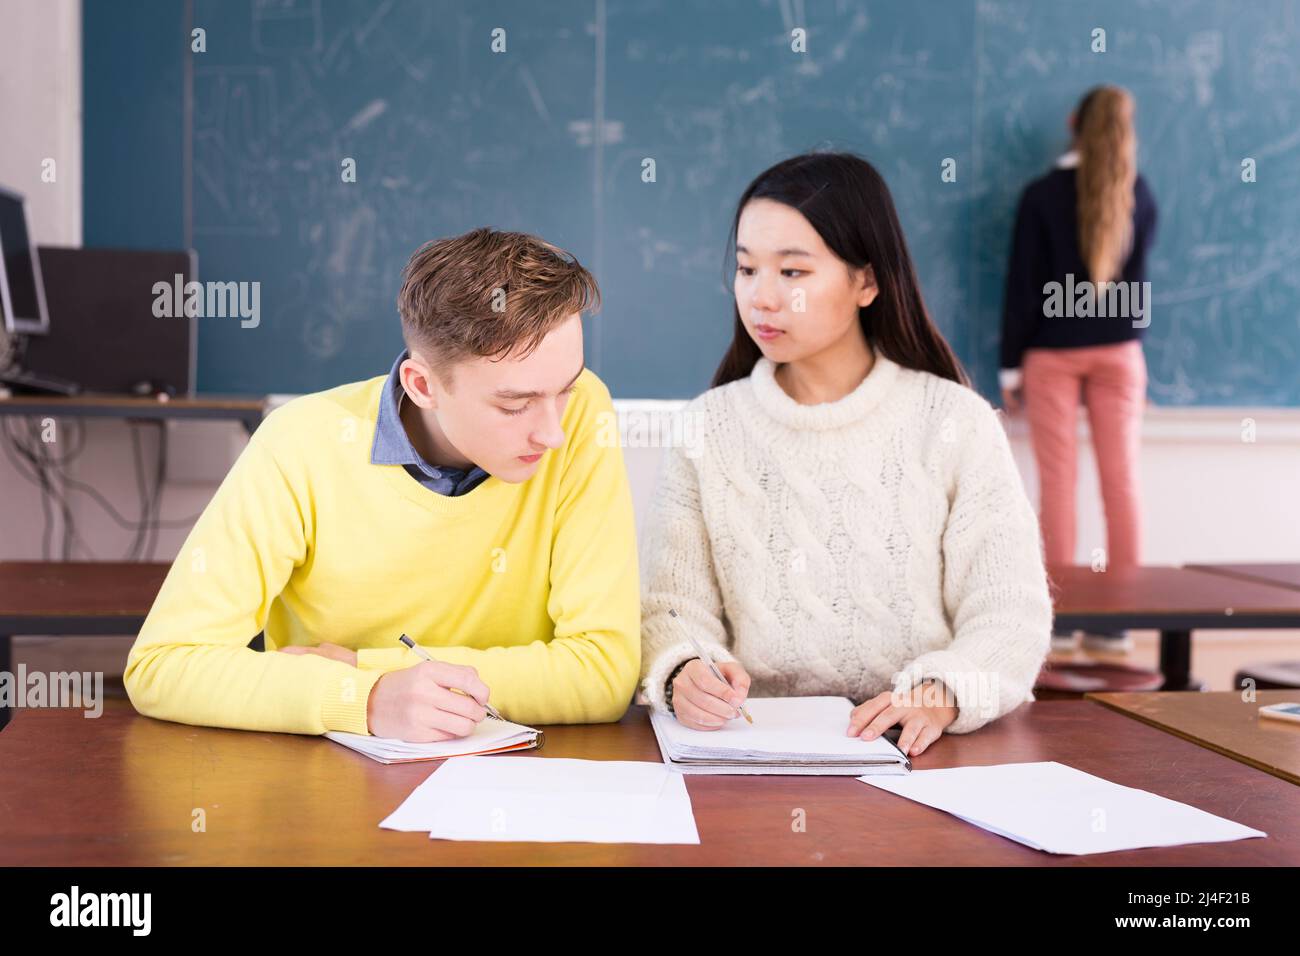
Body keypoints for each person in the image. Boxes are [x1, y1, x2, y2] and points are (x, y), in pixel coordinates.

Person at [125, 228, 640, 739]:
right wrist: (366, 702)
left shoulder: (582, 412)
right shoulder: (300, 442)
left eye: (565, 389)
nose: (553, 431)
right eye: (513, 405)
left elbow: (602, 674)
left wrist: (365, 670)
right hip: (335, 787)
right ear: (423, 386)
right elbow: (164, 665)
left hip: (523, 779)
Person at [639, 152, 1053, 758]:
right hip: (753, 757)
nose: (761, 297)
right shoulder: (707, 428)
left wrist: (942, 691)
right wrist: (682, 671)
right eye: (747, 269)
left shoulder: (954, 422)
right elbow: (669, 610)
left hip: (925, 754)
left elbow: (1009, 613)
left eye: (793, 273)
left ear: (866, 280)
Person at [1000, 85, 1159, 652]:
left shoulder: (1041, 194)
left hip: (1053, 352)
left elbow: (1022, 286)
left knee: (1058, 484)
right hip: (1120, 352)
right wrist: (1126, 348)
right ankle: (1117, 623)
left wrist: (1010, 370)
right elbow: (1137, 287)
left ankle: (1059, 623)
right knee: (1122, 483)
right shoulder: (1137, 192)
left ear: (1072, 122)